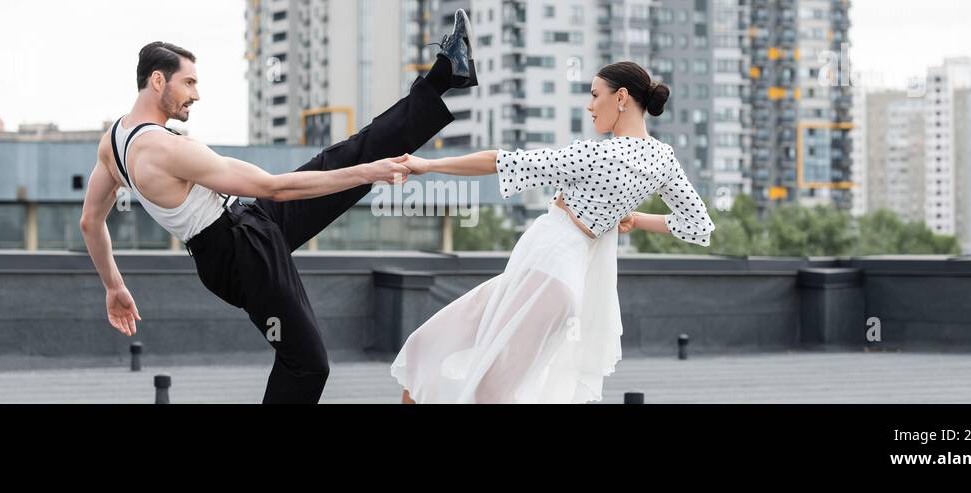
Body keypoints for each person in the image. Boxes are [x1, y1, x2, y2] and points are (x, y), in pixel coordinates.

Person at [78, 10, 479, 404]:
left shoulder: (113, 141)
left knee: (345, 155)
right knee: (307, 365)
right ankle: (430, 92)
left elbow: (90, 222)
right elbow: (274, 186)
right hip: (239, 255)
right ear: (157, 80)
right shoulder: (164, 149)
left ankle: (446, 74)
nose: (196, 94)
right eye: (189, 82)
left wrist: (114, 286)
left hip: (246, 224)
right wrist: (368, 175)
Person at [390, 61, 716, 404]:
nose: (590, 106)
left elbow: (499, 162)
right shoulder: (662, 159)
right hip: (546, 277)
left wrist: (428, 165)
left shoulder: (597, 154)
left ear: (621, 97)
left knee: (485, 389)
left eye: (594, 95)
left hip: (546, 275)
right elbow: (697, 224)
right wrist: (633, 217)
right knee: (429, 348)